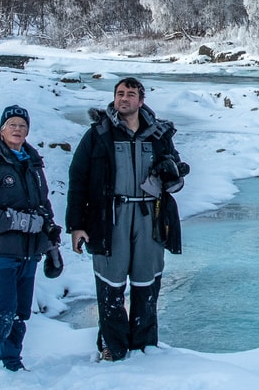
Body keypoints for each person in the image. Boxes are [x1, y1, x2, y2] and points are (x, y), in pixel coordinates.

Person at [66, 77, 188, 361]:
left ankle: (145, 346)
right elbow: (78, 179)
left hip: (150, 216)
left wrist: (172, 172)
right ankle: (113, 346)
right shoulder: (98, 134)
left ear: (141, 101)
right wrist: (77, 225)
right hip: (111, 216)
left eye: (130, 94)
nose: (124, 99)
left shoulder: (160, 135)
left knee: (147, 282)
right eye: (120, 93)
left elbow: (176, 182)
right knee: (111, 282)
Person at [0, 105, 61, 376]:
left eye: (22, 126)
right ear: (2, 129)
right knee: (3, 304)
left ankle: (12, 360)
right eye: (12, 125)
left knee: (20, 311)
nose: (18, 130)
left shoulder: (32, 165)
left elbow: (42, 203)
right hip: (0, 250)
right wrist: (13, 220)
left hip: (29, 250)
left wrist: (50, 232)